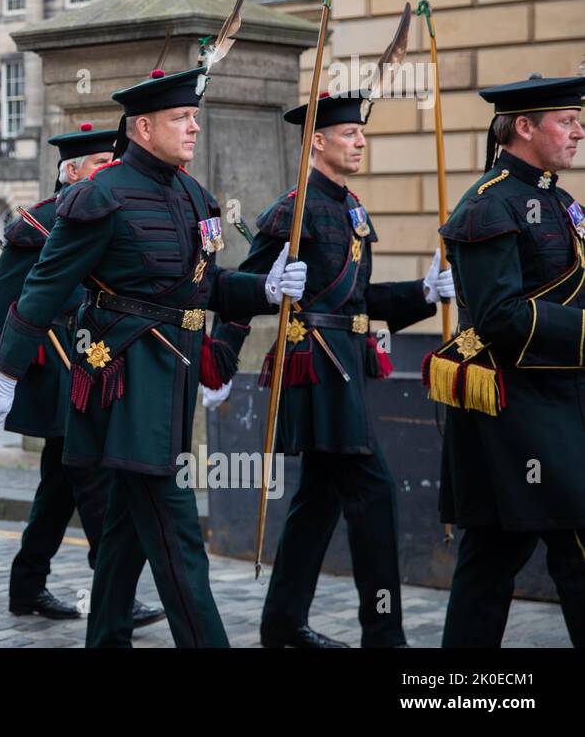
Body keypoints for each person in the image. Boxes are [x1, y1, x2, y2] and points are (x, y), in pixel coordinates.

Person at [0, 67, 306, 647]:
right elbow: (43, 287)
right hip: (123, 384)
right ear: (143, 127)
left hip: (171, 378)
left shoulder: (192, 193)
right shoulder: (98, 195)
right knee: (179, 537)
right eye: (181, 119)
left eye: (196, 118)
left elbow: (205, 287)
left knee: (126, 533)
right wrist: (3, 372)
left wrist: (265, 290)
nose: (193, 129)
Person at [205, 91, 452, 648]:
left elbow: (359, 300)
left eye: (361, 134)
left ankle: (282, 624)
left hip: (347, 363)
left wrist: (422, 292)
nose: (360, 141)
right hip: (315, 368)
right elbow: (244, 288)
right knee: (376, 495)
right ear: (317, 142)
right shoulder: (291, 209)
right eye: (348, 134)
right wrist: (221, 361)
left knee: (317, 503)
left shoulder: (352, 208)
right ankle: (383, 635)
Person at [0, 123, 164, 628]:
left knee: (59, 485)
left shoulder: (115, 214)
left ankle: (27, 586)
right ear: (72, 171)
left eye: (113, 162)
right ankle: (115, 595)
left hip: (94, 358)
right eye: (101, 164)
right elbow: (1, 300)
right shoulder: (39, 223)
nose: (111, 171)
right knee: (97, 482)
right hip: (56, 363)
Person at [426, 73, 585, 647]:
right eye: (566, 121)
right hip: (521, 412)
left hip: (558, 401)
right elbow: (500, 319)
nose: (579, 132)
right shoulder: (488, 206)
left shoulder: (558, 199)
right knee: (575, 545)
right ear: (524, 127)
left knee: (492, 556)